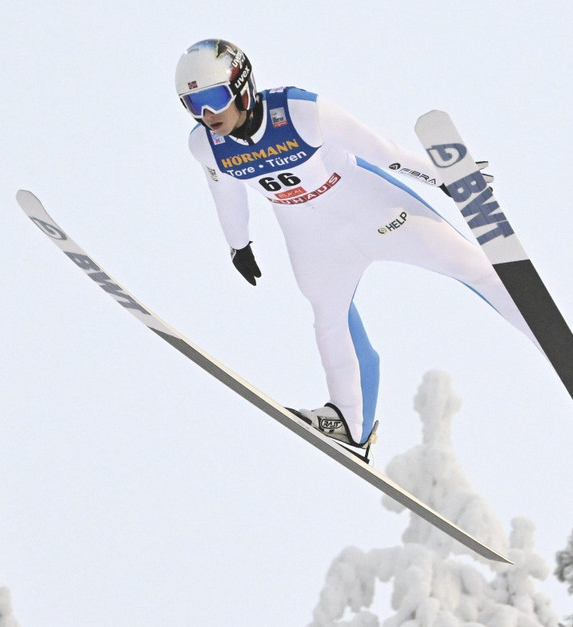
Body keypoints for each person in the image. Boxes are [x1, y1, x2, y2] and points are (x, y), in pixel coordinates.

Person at [175, 39, 540, 462]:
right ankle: (350, 424)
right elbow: (225, 193)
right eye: (192, 105)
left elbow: (384, 151)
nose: (206, 116)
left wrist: (442, 178)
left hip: (376, 210)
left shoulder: (298, 111)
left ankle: (551, 342)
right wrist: (238, 245)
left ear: (241, 86)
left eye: (212, 99)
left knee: (477, 270)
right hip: (312, 239)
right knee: (329, 321)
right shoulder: (205, 144)